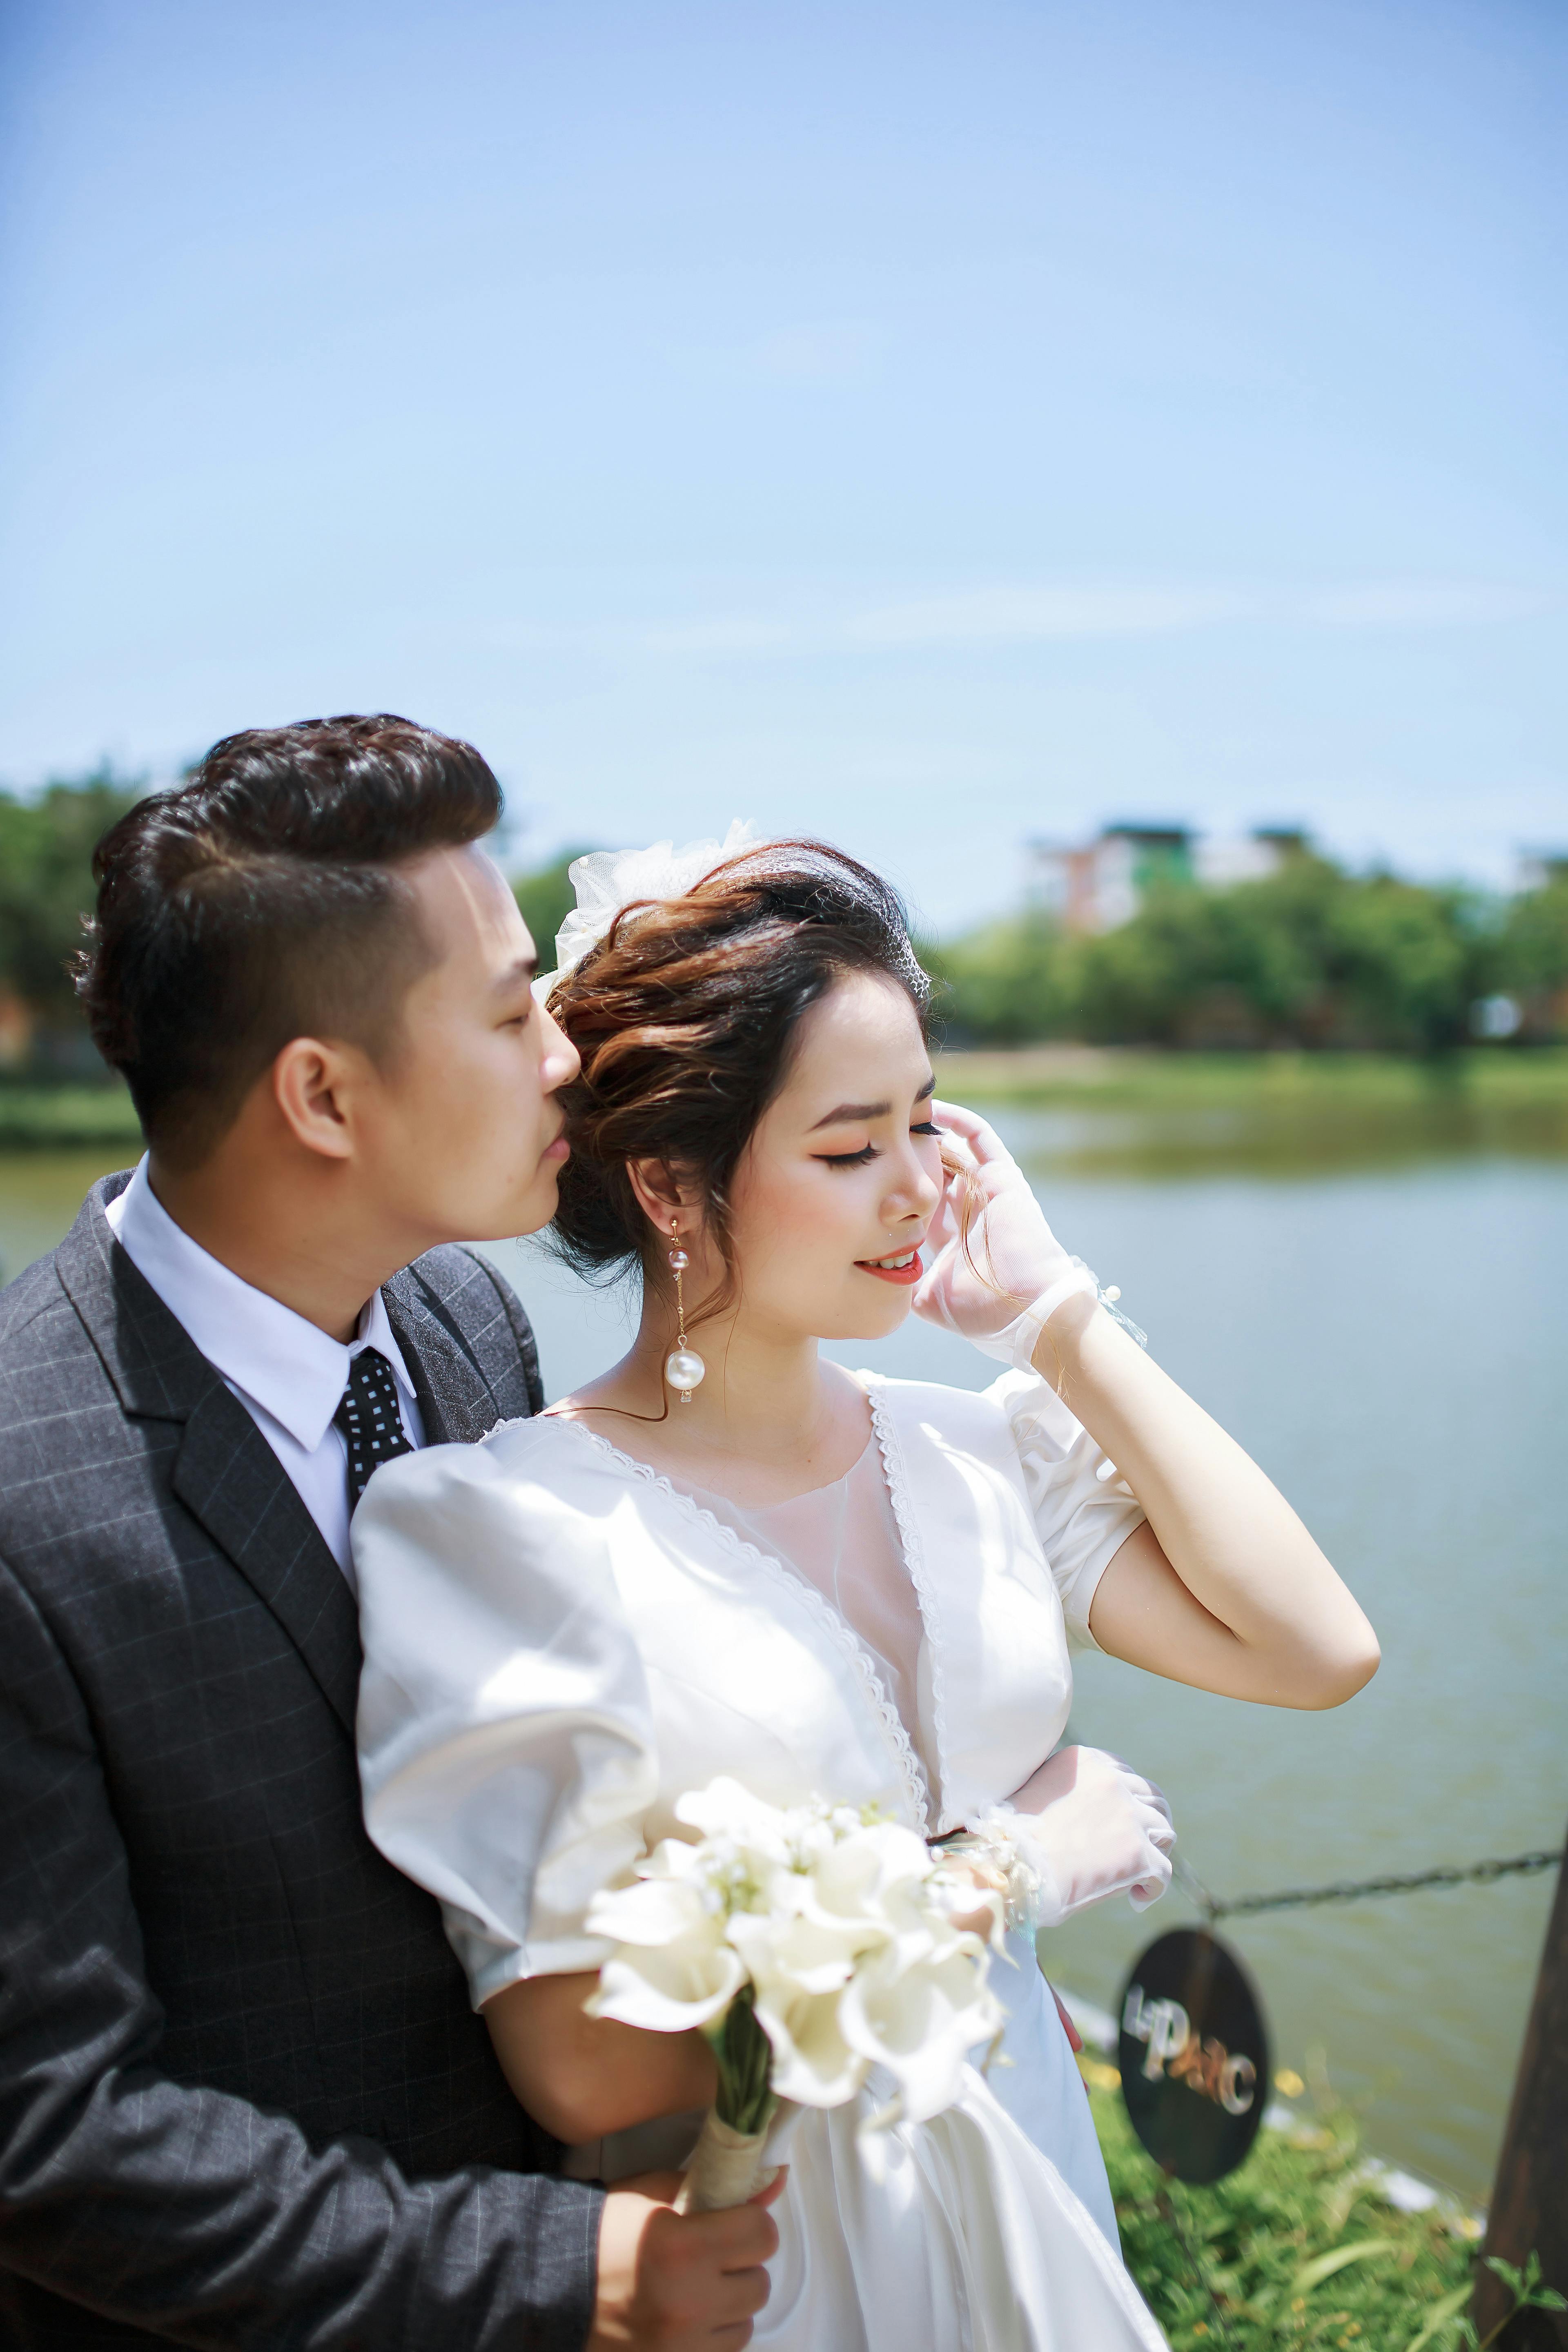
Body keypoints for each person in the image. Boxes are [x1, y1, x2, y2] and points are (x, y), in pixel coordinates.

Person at [352, 838, 1381, 2352]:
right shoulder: (506, 1528)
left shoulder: (975, 1449)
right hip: (775, 2266)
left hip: (1032, 2202)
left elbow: (1315, 1650)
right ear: (669, 1184)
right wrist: (1007, 1875)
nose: (918, 1192)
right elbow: (584, 2068)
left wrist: (1053, 1318)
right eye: (848, 1151)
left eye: (925, 1122)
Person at [0, 717, 783, 2349]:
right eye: (509, 1015)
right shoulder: (24, 1503)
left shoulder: (462, 1322)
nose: (563, 1056)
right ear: (322, 1095)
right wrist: (557, 2274)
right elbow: (53, 2133)